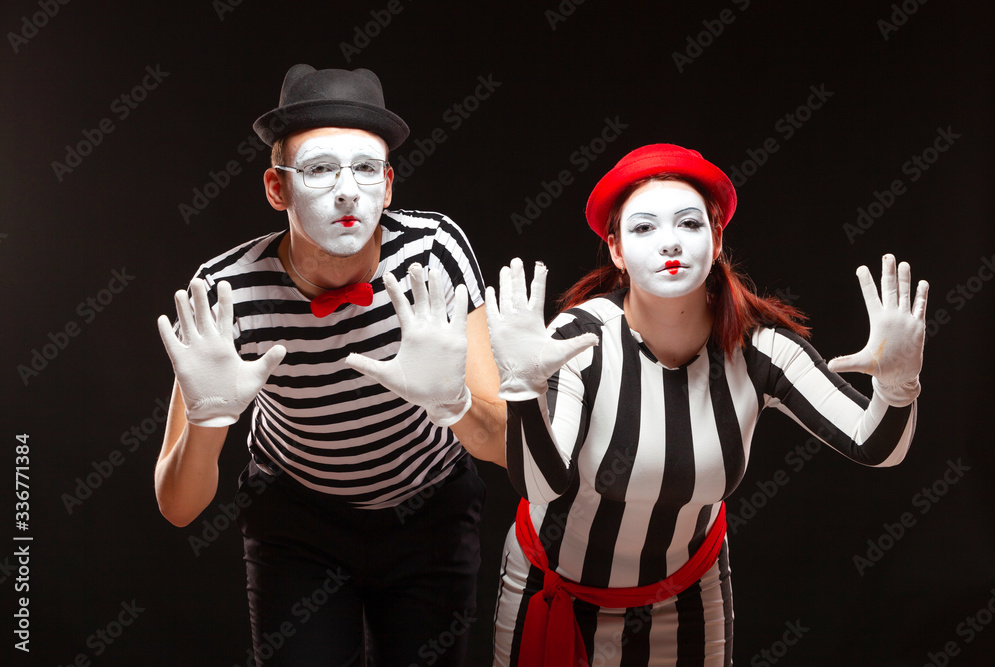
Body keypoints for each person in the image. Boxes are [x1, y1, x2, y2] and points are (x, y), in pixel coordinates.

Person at [486, 144, 928, 666]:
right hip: (551, 586)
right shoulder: (581, 339)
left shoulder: (761, 350)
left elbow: (877, 447)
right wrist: (522, 389)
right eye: (644, 228)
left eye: (690, 224)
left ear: (717, 240)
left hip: (686, 598)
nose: (670, 241)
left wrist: (899, 386)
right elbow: (541, 484)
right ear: (616, 250)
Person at [153, 64, 505, 666]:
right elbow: (178, 505)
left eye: (365, 169)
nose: (347, 191)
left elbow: (505, 447)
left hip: (430, 514)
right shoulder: (225, 289)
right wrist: (210, 421)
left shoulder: (435, 253)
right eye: (319, 169)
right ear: (276, 188)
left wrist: (452, 403)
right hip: (297, 522)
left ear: (388, 186)